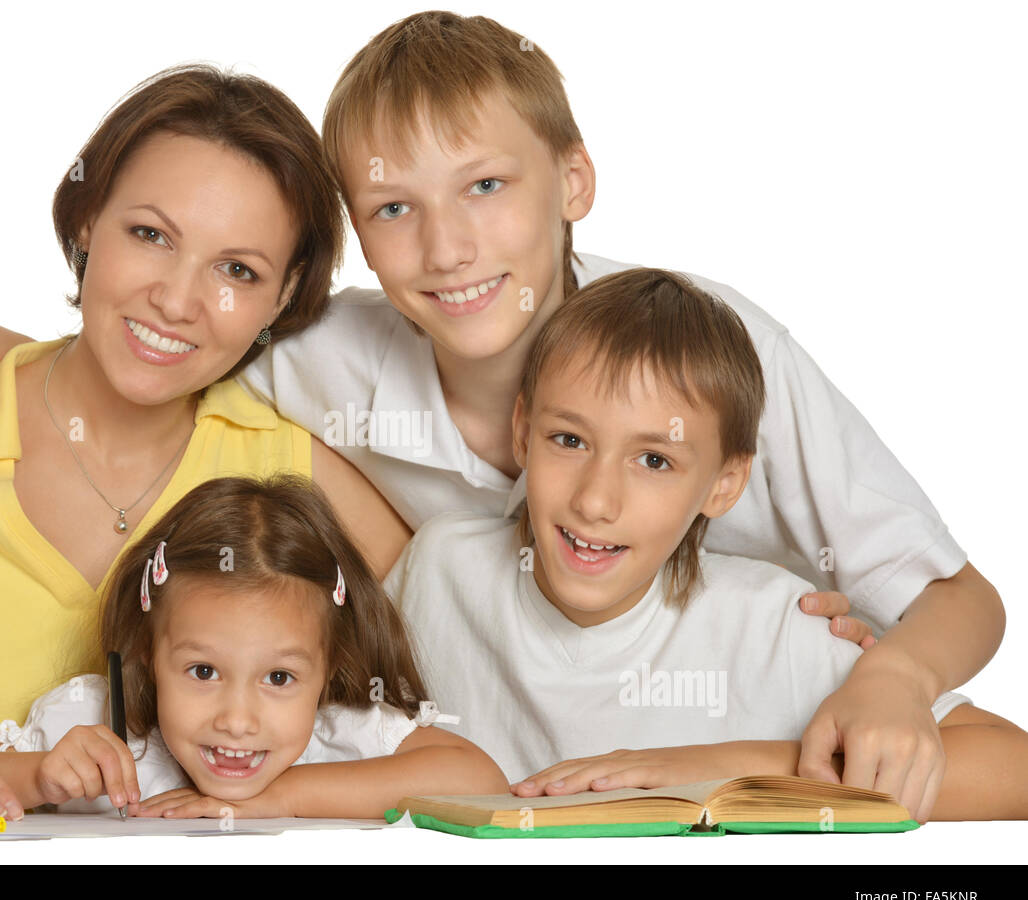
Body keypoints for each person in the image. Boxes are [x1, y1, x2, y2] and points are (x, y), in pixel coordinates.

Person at [0, 13, 1005, 820]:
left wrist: (886, 679)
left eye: (486, 186)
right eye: (391, 209)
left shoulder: (698, 350)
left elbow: (959, 599)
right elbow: (164, 340)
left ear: (572, 183)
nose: (444, 249)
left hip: (739, 696)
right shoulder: (327, 358)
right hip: (498, 767)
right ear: (349, 241)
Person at [0, 64, 410, 820]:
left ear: (281, 298)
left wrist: (275, 794)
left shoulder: (287, 472)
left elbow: (463, 648)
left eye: (237, 270)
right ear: (88, 221)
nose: (178, 300)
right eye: (150, 234)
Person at [385, 268, 1028, 821]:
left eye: (655, 460)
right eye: (570, 440)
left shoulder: (772, 625)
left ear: (724, 485)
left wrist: (719, 774)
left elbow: (1011, 765)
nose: (595, 501)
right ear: (523, 430)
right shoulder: (439, 572)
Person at [0, 475, 506, 817]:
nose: (237, 719)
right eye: (203, 671)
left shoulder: (344, 735)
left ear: (330, 668)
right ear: (146, 652)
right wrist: (38, 777)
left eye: (278, 678)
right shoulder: (96, 724)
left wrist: (283, 798)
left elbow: (480, 780)